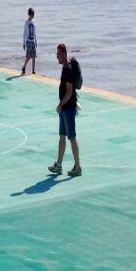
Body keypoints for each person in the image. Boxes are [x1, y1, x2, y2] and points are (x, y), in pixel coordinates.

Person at [48, 43, 83, 177]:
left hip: (68, 109)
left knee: (72, 137)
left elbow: (69, 92)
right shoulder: (65, 68)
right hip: (65, 109)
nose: (57, 57)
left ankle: (78, 166)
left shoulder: (68, 70)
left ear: (64, 54)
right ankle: (59, 164)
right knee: (62, 136)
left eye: (58, 54)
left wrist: (60, 105)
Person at [20, 8, 38, 76]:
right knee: (29, 56)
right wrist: (24, 43)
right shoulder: (26, 22)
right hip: (28, 41)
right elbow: (24, 33)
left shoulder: (33, 22)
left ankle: (33, 71)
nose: (32, 16)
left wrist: (36, 41)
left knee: (34, 56)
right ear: (29, 15)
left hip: (33, 41)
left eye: (33, 15)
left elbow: (35, 32)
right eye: (31, 15)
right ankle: (24, 67)